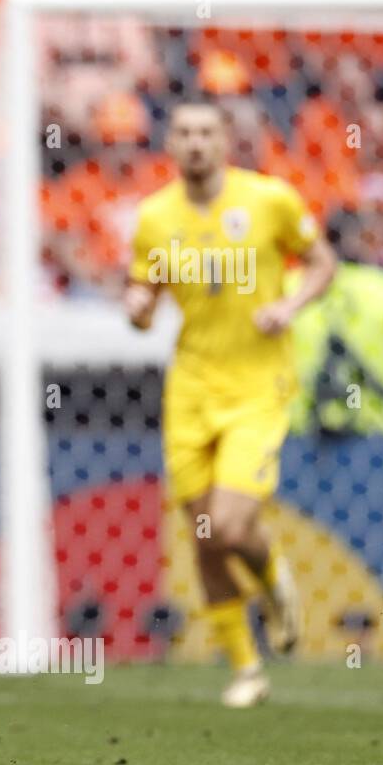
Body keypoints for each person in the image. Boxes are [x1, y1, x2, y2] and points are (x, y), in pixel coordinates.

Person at [126, 100, 336, 708]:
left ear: (225, 142)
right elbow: (144, 298)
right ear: (171, 144)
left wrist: (289, 307)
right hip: (191, 387)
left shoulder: (270, 200)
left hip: (257, 385)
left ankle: (273, 581)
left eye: (206, 133)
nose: (195, 143)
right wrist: (138, 309)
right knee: (203, 536)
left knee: (229, 522)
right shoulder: (154, 218)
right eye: (185, 132)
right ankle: (246, 668)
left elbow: (323, 263)